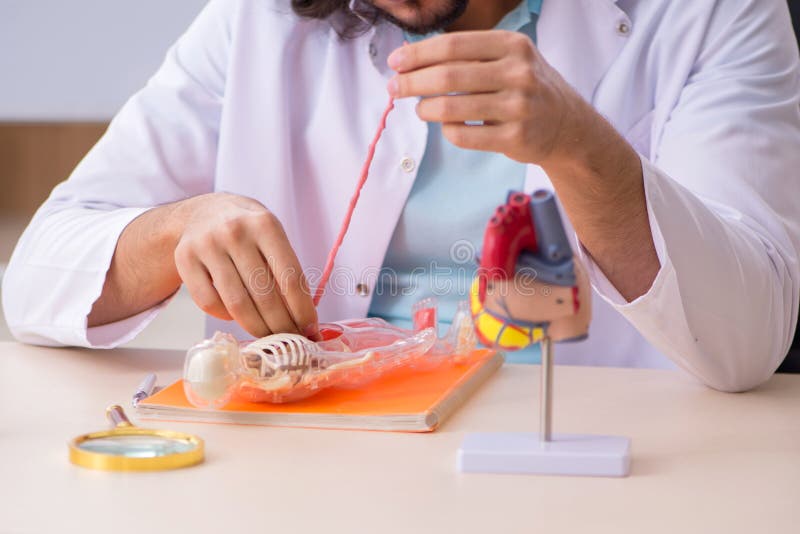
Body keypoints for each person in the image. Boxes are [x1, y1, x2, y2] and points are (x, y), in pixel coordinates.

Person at [3, 0, 799, 392]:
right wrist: (177, 228)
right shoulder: (258, 20)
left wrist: (580, 148)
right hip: (312, 482)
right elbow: (35, 276)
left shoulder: (712, 15)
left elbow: (751, 335)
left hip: (582, 481)